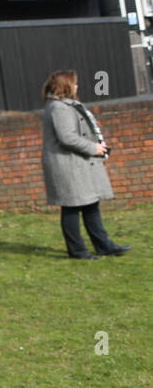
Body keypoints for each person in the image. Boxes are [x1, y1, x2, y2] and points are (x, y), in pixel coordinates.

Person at [41, 70, 130, 259]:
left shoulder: (65, 106)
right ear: (65, 86)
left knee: (90, 205)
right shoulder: (59, 108)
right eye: (74, 83)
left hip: (77, 164)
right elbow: (67, 138)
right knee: (72, 207)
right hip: (68, 165)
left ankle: (104, 245)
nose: (77, 86)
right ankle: (77, 251)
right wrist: (93, 148)